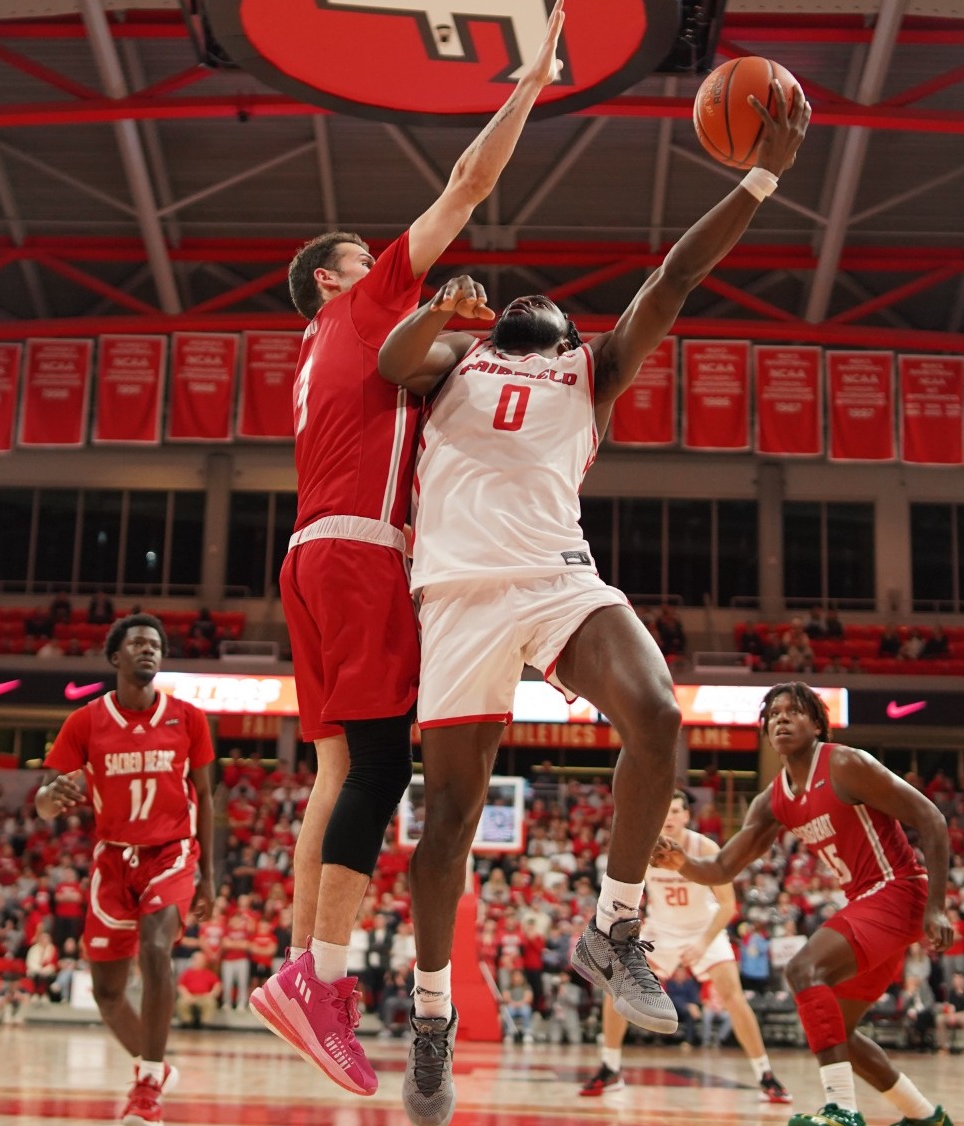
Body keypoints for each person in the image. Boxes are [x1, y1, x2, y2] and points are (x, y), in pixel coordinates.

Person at [375, 70, 812, 1126]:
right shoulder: (451, 361)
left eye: (549, 302)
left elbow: (670, 275)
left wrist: (758, 174)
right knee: (448, 823)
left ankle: (612, 929)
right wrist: (436, 309)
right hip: (456, 598)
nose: (531, 297)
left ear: (570, 336)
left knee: (658, 713)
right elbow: (389, 359)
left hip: (559, 579)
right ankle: (430, 1019)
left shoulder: (593, 369)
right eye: (516, 298)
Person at [248, 6, 566, 1106]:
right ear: (342, 282)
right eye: (363, 258)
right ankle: (318, 982)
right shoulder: (366, 304)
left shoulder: (320, 352)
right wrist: (525, 83)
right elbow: (466, 184)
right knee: (384, 771)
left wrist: (453, 336)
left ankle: (301, 967)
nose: (384, 257)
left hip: (307, 553)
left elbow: (424, 378)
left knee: (338, 771)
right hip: (359, 555)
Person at [655, 684, 953, 1126]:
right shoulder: (772, 800)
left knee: (801, 970)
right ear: (765, 732)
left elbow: (932, 818)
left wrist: (937, 907)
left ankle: (842, 1110)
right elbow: (720, 868)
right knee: (840, 1033)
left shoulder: (846, 764)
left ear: (817, 724)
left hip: (899, 891)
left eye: (794, 712)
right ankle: (926, 1116)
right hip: (871, 904)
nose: (781, 720)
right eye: (774, 715)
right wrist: (680, 862)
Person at [34, 613, 216, 1126]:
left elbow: (204, 795)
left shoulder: (189, 718)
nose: (148, 650)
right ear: (116, 657)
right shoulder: (86, 721)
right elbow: (46, 803)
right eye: (137, 642)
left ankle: (146, 1089)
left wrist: (211, 875)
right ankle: (155, 1068)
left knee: (157, 950)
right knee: (107, 993)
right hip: (113, 857)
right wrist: (52, 796)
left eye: (156, 644)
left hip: (172, 852)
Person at [579, 791, 789, 1102]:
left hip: (704, 927)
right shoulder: (641, 848)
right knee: (617, 987)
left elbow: (728, 905)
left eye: (677, 811)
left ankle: (765, 1075)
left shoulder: (704, 847)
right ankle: (610, 1068)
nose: (671, 817)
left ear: (687, 816)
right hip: (662, 929)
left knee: (733, 996)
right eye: (665, 811)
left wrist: (703, 943)